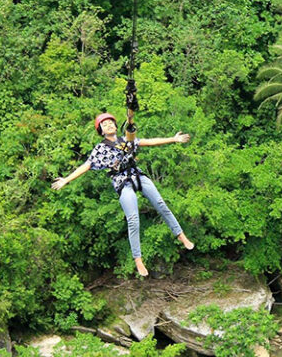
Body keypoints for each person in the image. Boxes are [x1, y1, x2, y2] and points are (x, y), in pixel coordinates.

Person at [51, 113, 194, 277]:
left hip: (138, 176)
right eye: (104, 124)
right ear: (101, 131)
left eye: (111, 122)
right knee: (133, 219)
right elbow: (86, 166)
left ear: (115, 125)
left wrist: (173, 139)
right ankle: (138, 259)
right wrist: (66, 180)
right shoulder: (100, 149)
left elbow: (148, 141)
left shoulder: (126, 140)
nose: (109, 125)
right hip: (122, 182)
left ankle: (181, 235)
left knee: (161, 204)